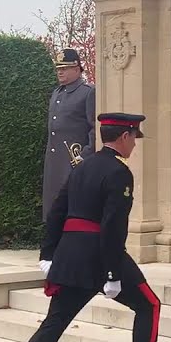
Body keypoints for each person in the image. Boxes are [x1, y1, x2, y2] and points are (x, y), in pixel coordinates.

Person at [0, 112, 171, 342]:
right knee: (149, 306)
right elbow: (112, 226)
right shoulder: (119, 173)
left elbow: (57, 210)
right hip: (100, 256)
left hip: (70, 256)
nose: (135, 144)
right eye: (134, 137)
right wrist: (111, 274)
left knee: (51, 327)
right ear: (124, 137)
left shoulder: (81, 168)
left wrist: (47, 253)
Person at [42, 48, 96, 222]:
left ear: (76, 68)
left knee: (73, 209)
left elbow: (95, 127)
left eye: (64, 68)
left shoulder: (88, 92)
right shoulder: (56, 93)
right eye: (58, 68)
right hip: (54, 161)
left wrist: (85, 155)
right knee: (54, 209)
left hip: (74, 161)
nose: (60, 72)